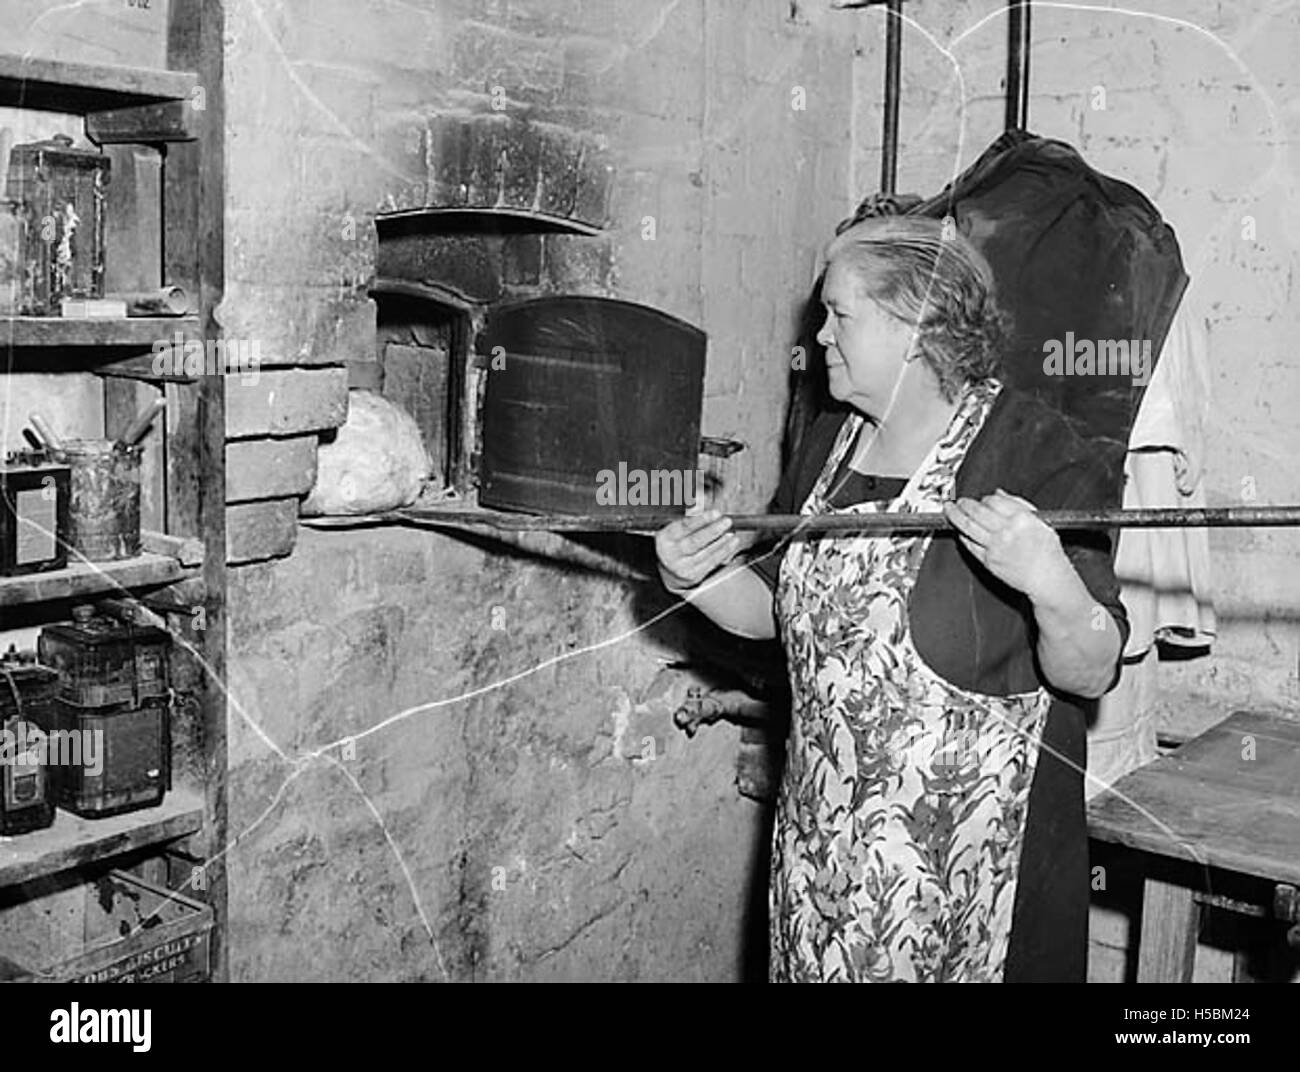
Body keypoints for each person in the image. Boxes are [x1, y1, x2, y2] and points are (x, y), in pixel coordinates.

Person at [655, 215, 1129, 983]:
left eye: (840, 314)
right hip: (824, 859)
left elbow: (1090, 670)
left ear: (916, 327)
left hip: (970, 882)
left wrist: (1049, 578)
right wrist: (696, 579)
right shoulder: (829, 443)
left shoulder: (1036, 450)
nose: (818, 338)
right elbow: (775, 611)